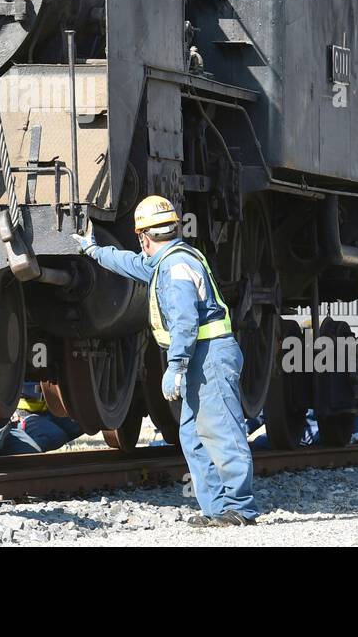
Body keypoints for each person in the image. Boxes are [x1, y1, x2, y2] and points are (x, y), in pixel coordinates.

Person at [75, 195, 260, 527]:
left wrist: (176, 366)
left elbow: (186, 323)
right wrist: (95, 252)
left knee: (221, 431)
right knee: (192, 433)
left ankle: (240, 508)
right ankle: (218, 509)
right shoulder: (173, 258)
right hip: (204, 354)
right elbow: (135, 266)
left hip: (209, 355)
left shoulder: (174, 269)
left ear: (144, 237)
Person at [0, 382, 84, 455]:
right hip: (19, 413)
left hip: (47, 409)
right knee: (55, 437)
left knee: (82, 422)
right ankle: (14, 436)